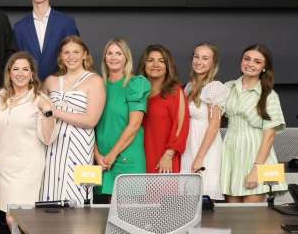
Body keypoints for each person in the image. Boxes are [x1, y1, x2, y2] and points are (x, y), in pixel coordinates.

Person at [0, 52, 55, 233]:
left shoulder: (39, 99)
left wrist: (47, 111)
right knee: (8, 216)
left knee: (16, 217)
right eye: (16, 69)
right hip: (2, 166)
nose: (20, 73)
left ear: (32, 74)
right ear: (9, 73)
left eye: (25, 69)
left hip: (26, 167)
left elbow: (48, 138)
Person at [39, 36, 105, 206]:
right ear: (60, 56)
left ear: (84, 54)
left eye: (76, 52)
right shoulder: (51, 81)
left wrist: (55, 112)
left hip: (80, 147)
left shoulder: (94, 81)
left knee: (78, 197)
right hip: (52, 146)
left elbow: (91, 120)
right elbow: (38, 111)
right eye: (66, 52)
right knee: (49, 193)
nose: (71, 56)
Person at [222, 44, 286, 203]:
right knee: (231, 215)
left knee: (251, 215)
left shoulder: (270, 95)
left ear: (264, 67)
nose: (250, 64)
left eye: (257, 62)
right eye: (247, 59)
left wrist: (257, 169)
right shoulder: (227, 87)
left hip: (259, 157)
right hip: (231, 154)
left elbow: (270, 136)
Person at [93, 38, 150, 202]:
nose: (113, 57)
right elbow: (89, 124)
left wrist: (112, 155)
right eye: (109, 53)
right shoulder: (98, 85)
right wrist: (97, 155)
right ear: (104, 58)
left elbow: (134, 125)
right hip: (102, 160)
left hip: (126, 157)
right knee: (102, 214)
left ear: (126, 58)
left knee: (127, 213)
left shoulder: (135, 84)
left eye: (118, 53)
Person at [181, 43, 229, 200]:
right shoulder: (189, 87)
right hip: (188, 144)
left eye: (205, 58)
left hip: (205, 146)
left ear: (213, 63)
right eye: (196, 57)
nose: (199, 61)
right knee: (187, 196)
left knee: (203, 194)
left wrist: (200, 157)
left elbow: (214, 126)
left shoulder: (215, 87)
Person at [13, 0, 80, 79]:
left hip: (61, 82)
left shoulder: (66, 22)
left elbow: (76, 55)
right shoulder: (19, 27)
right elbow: (17, 60)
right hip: (30, 84)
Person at [138, 44, 190, 174]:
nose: (155, 64)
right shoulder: (137, 92)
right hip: (139, 157)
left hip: (165, 159)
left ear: (167, 67)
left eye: (161, 61)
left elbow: (181, 126)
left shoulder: (175, 92)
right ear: (144, 65)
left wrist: (168, 155)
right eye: (150, 60)